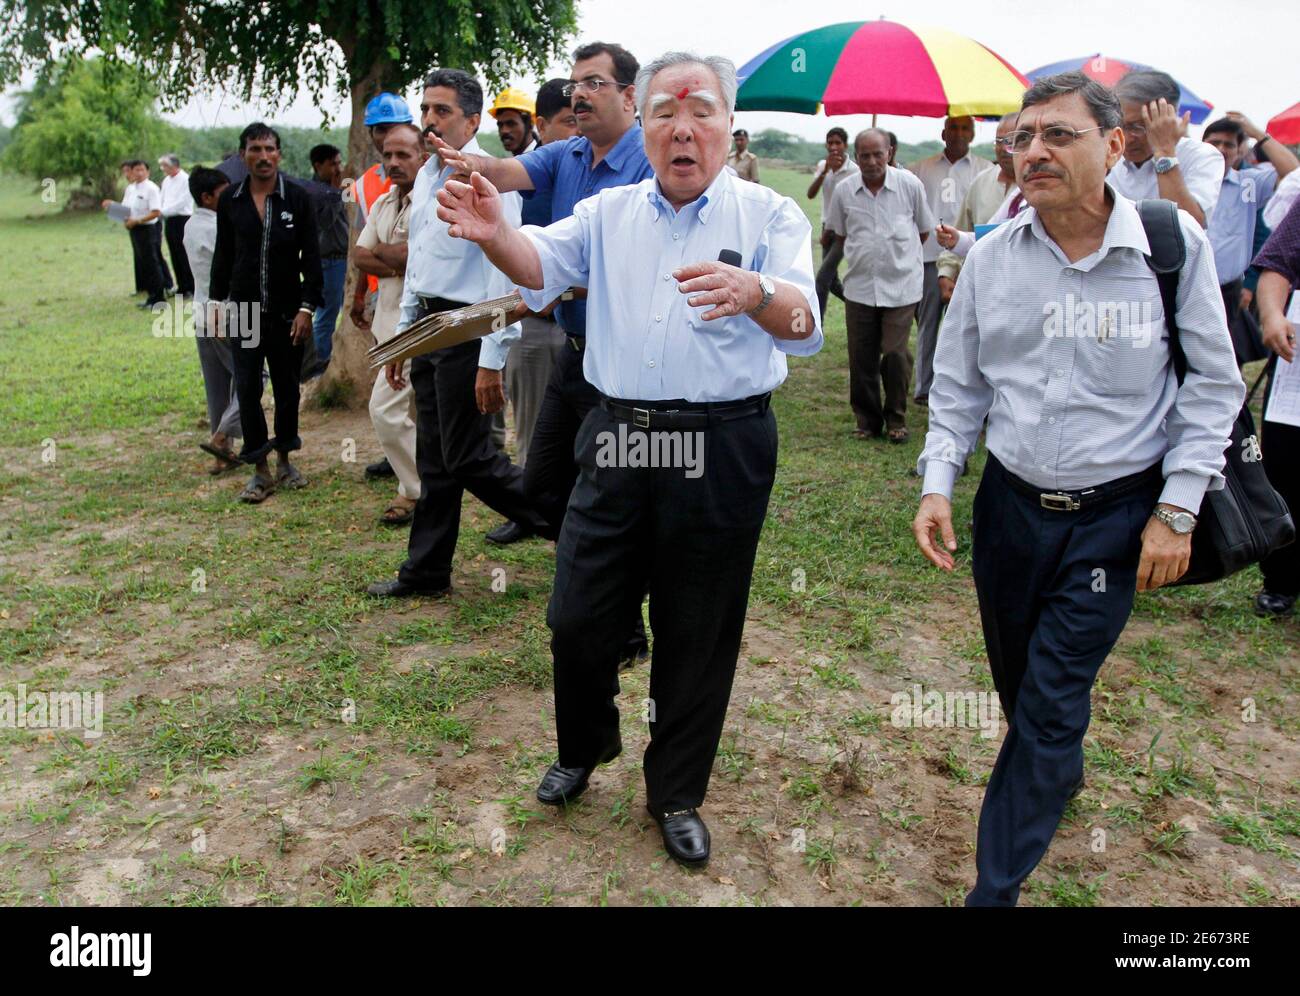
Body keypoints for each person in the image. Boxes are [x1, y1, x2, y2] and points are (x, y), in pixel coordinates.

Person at [435, 51, 823, 867]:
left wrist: (754, 294)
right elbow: (538, 266)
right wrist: (494, 233)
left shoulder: (769, 215)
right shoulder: (610, 212)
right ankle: (585, 745)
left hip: (723, 446)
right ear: (641, 125)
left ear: (728, 124)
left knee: (697, 627)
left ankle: (675, 790)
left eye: (702, 111)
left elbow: (805, 324)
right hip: (617, 435)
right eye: (664, 112)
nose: (683, 128)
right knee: (577, 613)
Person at [913, 72, 1244, 906]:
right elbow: (958, 388)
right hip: (1010, 513)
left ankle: (995, 888)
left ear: (1115, 146)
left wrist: (1176, 511)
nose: (1035, 151)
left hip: (1115, 519)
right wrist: (937, 486)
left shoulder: (1173, 250)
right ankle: (1054, 763)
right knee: (1022, 685)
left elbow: (1213, 385)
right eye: (1024, 137)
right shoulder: (991, 258)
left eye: (1059, 135)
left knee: (1053, 697)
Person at [431, 41, 655, 575]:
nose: (579, 94)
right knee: (540, 485)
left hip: (625, 364)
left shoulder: (650, 164)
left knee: (616, 485)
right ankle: (595, 568)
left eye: (594, 83)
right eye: (575, 83)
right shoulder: (567, 154)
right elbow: (504, 170)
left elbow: (644, 266)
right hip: (573, 355)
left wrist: (559, 285)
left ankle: (617, 601)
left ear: (630, 95)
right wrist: (469, 164)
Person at [364, 69, 548, 599]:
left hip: (470, 328)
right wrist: (402, 340)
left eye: (441, 111)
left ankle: (568, 526)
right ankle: (425, 572)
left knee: (470, 457)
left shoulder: (488, 178)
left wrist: (492, 356)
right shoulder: (426, 175)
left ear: (471, 120)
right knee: (436, 458)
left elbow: (504, 272)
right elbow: (420, 265)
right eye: (425, 110)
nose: (428, 121)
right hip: (430, 328)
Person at [209, 122, 324, 504]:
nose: (262, 156)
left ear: (279, 154)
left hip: (288, 313)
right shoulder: (231, 200)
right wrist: (215, 304)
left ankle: (285, 461)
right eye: (255, 149)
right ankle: (258, 470)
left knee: (288, 387)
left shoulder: (298, 198)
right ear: (243, 155)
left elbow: (312, 257)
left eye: (269, 149)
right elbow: (223, 255)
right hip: (243, 311)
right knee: (246, 387)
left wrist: (307, 308)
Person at [824, 128, 933, 444]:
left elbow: (923, 231)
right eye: (865, 155)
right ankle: (867, 420)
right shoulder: (845, 191)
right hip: (858, 287)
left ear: (890, 153)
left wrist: (899, 257)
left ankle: (896, 417)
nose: (872, 162)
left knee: (895, 354)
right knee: (862, 357)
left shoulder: (909, 185)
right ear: (855, 157)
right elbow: (840, 235)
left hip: (901, 286)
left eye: (878, 154)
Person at [353, 124, 425, 527]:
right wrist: (390, 256)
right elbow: (361, 255)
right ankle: (420, 483)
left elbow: (419, 257)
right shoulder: (384, 203)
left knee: (384, 409)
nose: (394, 162)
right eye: (388, 156)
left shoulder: (432, 202)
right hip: (386, 322)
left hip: (415, 326)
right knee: (403, 408)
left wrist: (390, 254)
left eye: (403, 155)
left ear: (423, 157)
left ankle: (414, 488)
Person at [500, 82, 570, 469]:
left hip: (583, 325)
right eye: (570, 121)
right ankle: (530, 506)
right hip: (537, 320)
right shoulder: (530, 176)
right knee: (533, 424)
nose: (580, 132)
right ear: (542, 126)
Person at [909, 116, 993, 405]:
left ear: (973, 133)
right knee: (928, 325)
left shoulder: (985, 170)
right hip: (930, 258)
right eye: (953, 128)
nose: (958, 134)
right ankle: (924, 387)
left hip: (974, 259)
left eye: (964, 128)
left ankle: (968, 389)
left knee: (971, 329)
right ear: (943, 132)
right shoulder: (921, 168)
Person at [1203, 115, 1298, 365]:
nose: (1221, 150)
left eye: (1229, 144)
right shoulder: (1182, 183)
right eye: (1214, 143)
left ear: (1239, 152)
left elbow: (1292, 174)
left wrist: (1257, 132)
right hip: (1184, 287)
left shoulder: (1248, 183)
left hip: (1228, 290)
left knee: (1228, 362)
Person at [1252, 198, 1300, 617]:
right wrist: (1271, 315)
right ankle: (1282, 580)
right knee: (1286, 471)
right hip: (1295, 366)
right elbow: (1278, 267)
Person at [183, 166, 242, 476]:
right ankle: (222, 437)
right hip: (229, 312)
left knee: (217, 386)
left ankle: (222, 454)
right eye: (223, 193)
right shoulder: (218, 227)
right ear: (207, 197)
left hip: (203, 312)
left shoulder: (192, 225)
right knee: (252, 377)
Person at [1107, 70, 1221, 228]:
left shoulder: (1201, 156)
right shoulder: (1110, 157)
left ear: (1170, 118)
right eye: (1121, 126)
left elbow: (1187, 227)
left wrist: (1164, 153)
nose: (1127, 138)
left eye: (1138, 127)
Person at [345, 93, 415, 343]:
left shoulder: (427, 174)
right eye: (380, 130)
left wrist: (407, 265)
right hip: (381, 294)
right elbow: (363, 251)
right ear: (371, 134)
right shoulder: (364, 185)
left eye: (394, 128)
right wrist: (359, 295)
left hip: (420, 295)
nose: (386, 136)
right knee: (386, 367)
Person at [935, 114, 1021, 300]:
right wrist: (947, 271)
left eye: (1012, 141)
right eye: (999, 141)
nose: (1004, 149)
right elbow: (962, 231)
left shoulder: (1037, 188)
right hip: (979, 286)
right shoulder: (982, 181)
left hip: (1020, 289)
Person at [303, 143, 350, 378]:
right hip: (329, 260)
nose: (337, 168)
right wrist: (334, 192)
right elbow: (326, 223)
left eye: (339, 163)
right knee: (326, 314)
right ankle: (319, 365)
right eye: (333, 164)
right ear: (318, 166)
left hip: (343, 258)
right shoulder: (315, 192)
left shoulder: (336, 187)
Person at [103, 160, 172, 308]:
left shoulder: (151, 189)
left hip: (147, 229)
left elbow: (155, 212)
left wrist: (137, 221)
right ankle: (151, 297)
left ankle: (159, 298)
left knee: (152, 264)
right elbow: (126, 209)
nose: (139, 173)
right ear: (131, 172)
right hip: (134, 230)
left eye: (142, 170)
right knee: (144, 264)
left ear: (147, 172)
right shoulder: (131, 189)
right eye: (136, 170)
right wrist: (112, 207)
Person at [806, 126, 854, 319]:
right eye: (830, 142)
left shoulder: (854, 171)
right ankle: (857, 307)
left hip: (844, 232)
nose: (833, 147)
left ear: (845, 145)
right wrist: (825, 171)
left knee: (822, 279)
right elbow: (810, 194)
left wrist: (835, 229)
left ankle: (817, 323)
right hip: (827, 228)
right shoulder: (822, 166)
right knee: (832, 282)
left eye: (838, 143)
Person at [157, 154, 195, 296]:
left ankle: (190, 286)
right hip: (170, 220)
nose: (163, 169)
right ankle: (181, 286)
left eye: (165, 166)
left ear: (174, 165)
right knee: (174, 253)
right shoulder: (166, 180)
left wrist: (164, 211)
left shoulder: (186, 179)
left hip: (182, 218)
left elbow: (183, 202)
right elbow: (162, 197)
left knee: (184, 253)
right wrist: (159, 210)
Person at [490, 87, 539, 155]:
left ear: (530, 124)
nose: (504, 130)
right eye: (500, 125)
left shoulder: (543, 162)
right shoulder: (516, 162)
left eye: (511, 124)